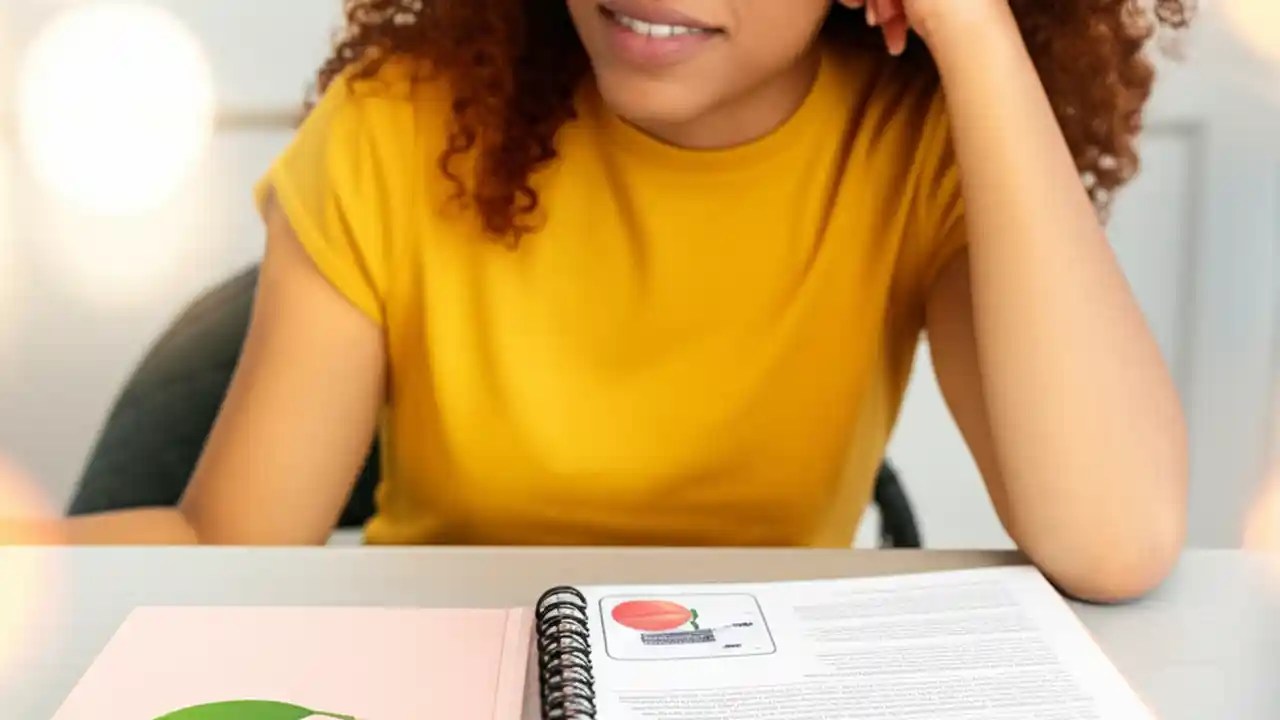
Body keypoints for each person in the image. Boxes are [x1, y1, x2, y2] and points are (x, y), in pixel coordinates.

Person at [23, 0, 1191, 603]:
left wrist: (974, 30)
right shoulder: (396, 128)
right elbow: (223, 546)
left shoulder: (912, 146)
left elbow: (1115, 535)